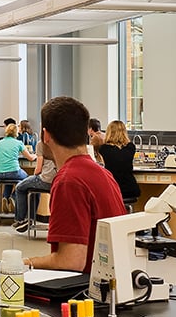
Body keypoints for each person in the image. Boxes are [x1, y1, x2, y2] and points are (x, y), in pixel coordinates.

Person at [21, 97, 126, 273]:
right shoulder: (103, 173)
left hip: (82, 290)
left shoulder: (68, 181)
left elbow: (71, 261)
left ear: (46, 136)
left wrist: (23, 263)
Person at [11, 142, 58, 233]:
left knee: (19, 187)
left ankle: (21, 220)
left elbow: (38, 170)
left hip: (45, 180)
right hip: (58, 182)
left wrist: (34, 176)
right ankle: (30, 219)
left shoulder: (41, 144)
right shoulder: (62, 142)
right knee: (33, 189)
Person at [0, 123, 38, 208]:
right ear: (16, 132)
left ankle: (5, 198)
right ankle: (13, 198)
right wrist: (36, 155)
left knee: (9, 180)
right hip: (14, 171)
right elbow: (30, 158)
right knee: (26, 179)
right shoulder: (19, 143)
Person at [98, 120, 140, 204]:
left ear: (109, 132)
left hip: (112, 189)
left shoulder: (104, 148)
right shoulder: (131, 147)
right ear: (124, 132)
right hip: (130, 189)